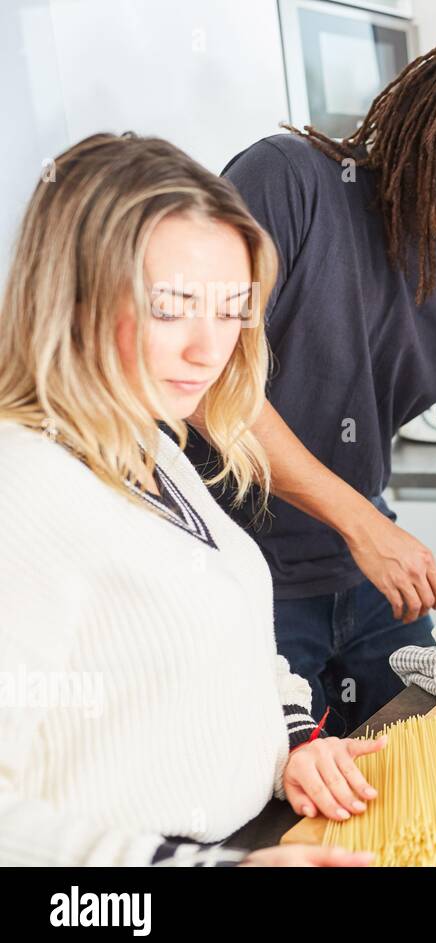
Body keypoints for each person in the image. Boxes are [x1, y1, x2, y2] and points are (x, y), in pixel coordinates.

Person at [183, 28, 436, 735]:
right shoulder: (288, 183)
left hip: (369, 591)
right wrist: (361, 519)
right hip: (238, 575)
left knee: (434, 760)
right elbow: (210, 380)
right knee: (287, 810)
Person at [0, 133, 380, 866]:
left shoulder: (153, 445)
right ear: (72, 297)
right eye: (172, 308)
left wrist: (292, 745)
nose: (212, 349)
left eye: (232, 309)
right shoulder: (23, 484)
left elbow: (230, 641)